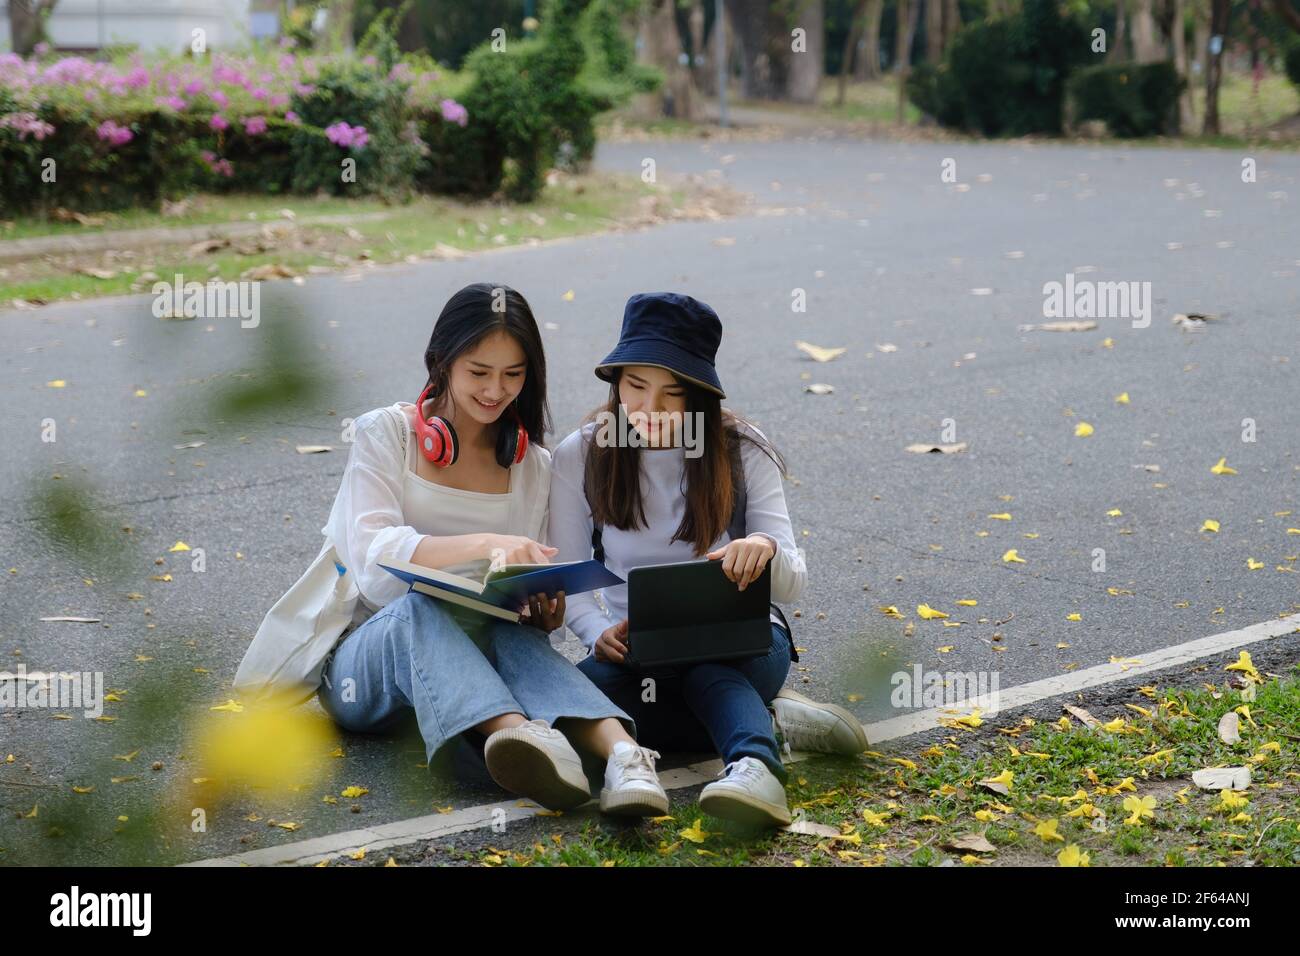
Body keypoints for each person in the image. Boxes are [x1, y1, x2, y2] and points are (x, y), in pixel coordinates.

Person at [313, 283, 668, 815]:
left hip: (467, 671)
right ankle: (521, 736)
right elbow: (372, 559)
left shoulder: (531, 466)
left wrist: (542, 610)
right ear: (441, 362)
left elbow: (519, 607)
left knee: (509, 632)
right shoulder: (385, 434)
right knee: (422, 605)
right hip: (367, 666)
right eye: (479, 372)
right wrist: (487, 544)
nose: (495, 391)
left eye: (513, 374)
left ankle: (626, 756)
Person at [547, 292, 869, 828]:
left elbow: (793, 581)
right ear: (616, 383)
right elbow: (574, 573)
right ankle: (772, 719)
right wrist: (595, 632)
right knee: (570, 703)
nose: (650, 409)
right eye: (635, 387)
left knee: (704, 669)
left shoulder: (740, 448)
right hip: (637, 652)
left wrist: (762, 552)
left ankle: (757, 769)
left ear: (699, 394)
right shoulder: (581, 454)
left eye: (673, 392)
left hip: (743, 643)